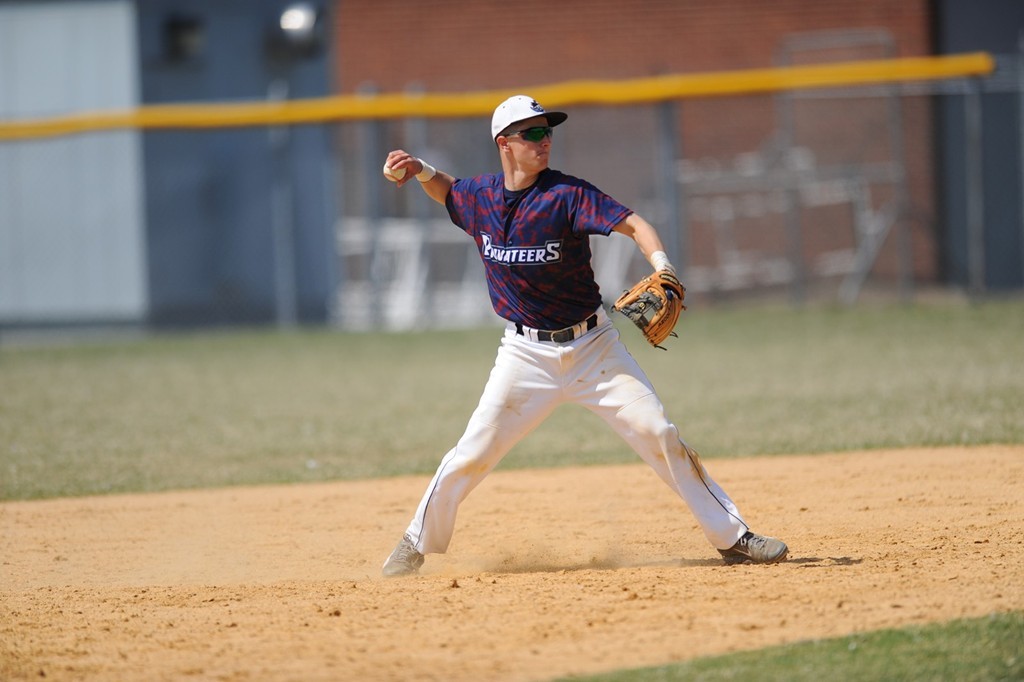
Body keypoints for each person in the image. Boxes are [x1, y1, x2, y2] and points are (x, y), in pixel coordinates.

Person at [379, 95, 787, 576]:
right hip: (524, 355)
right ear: (504, 143)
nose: (544, 140)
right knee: (471, 452)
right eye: (532, 133)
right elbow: (449, 191)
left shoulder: (567, 195)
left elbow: (635, 224)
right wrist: (420, 169)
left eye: (548, 130)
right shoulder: (481, 198)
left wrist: (663, 265)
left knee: (659, 432)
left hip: (595, 349)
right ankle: (414, 542)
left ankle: (733, 538)